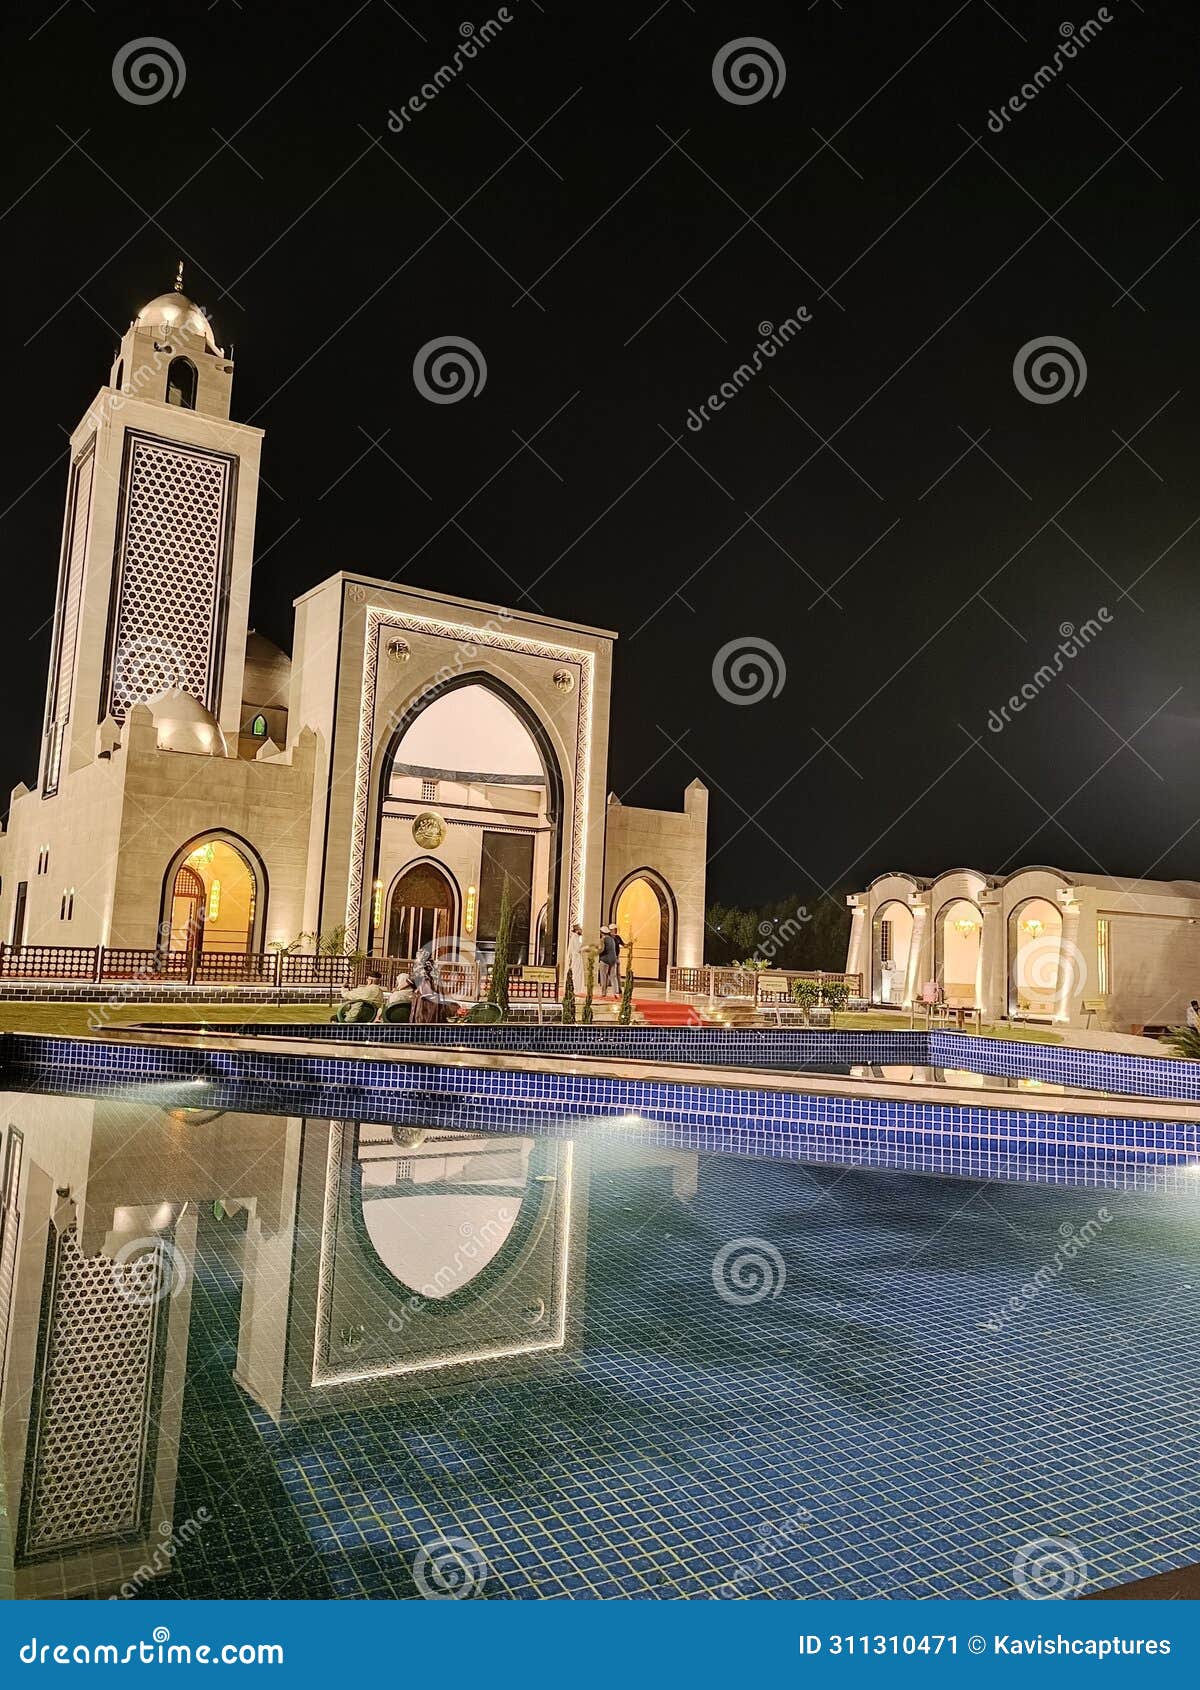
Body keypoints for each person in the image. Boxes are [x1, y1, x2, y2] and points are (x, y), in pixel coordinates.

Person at [410, 944, 442, 1025]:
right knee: (432, 1018)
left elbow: (410, 981)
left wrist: (398, 989)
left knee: (421, 1018)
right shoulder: (432, 966)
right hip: (434, 997)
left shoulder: (420, 967)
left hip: (423, 999)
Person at [597, 926, 619, 997]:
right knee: (613, 976)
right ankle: (616, 992)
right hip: (613, 959)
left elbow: (601, 949)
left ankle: (604, 993)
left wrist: (596, 952)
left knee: (603, 976)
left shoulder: (603, 939)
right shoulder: (612, 939)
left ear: (601, 932)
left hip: (604, 960)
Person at [565, 922, 585, 995]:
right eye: (580, 929)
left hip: (577, 958)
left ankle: (578, 989)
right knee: (576, 974)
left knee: (578, 973)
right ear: (577, 930)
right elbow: (577, 949)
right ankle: (576, 989)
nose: (582, 931)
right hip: (576, 958)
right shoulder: (574, 937)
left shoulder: (576, 937)